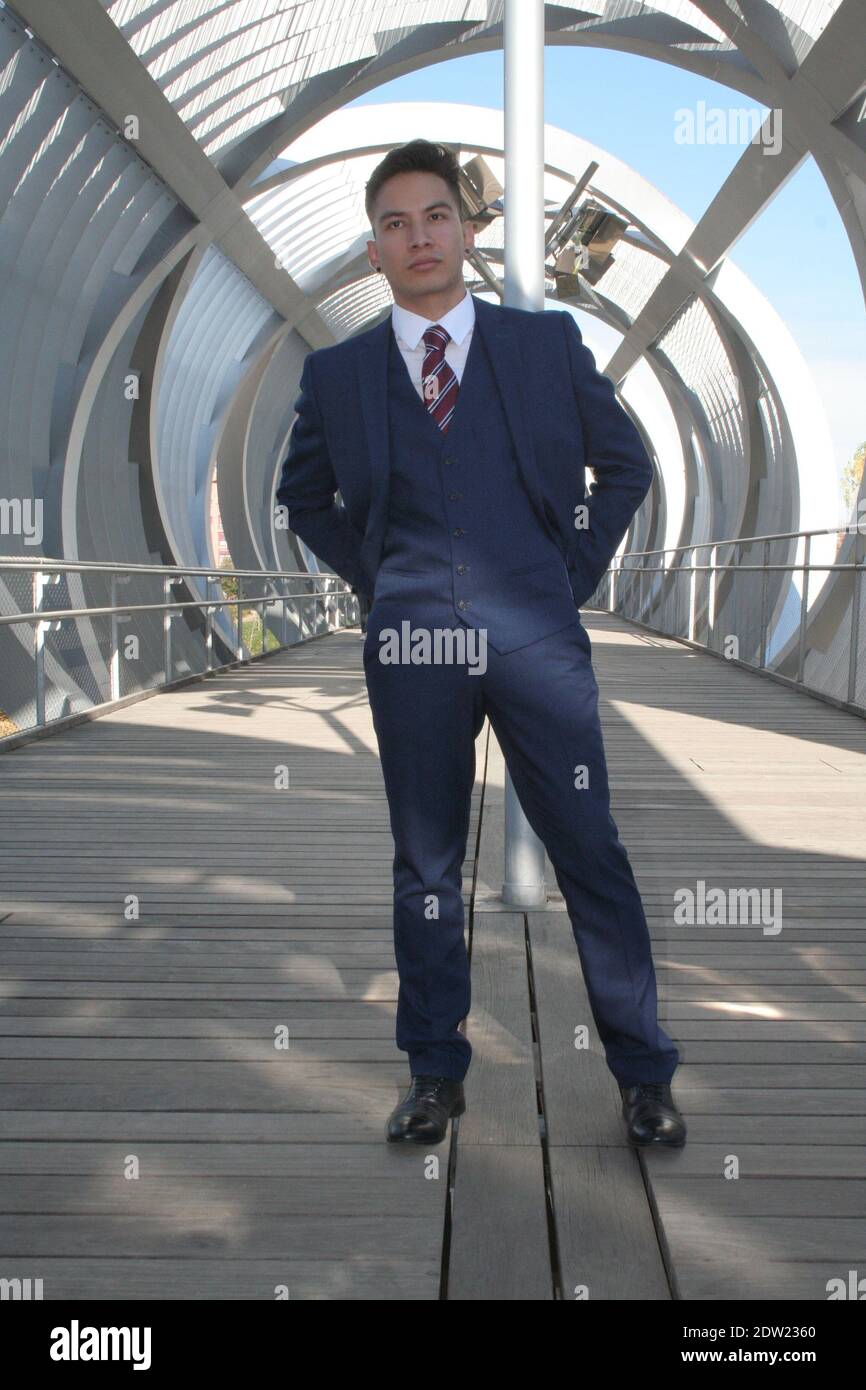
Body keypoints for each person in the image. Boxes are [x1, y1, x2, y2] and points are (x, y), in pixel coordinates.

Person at [276, 139, 685, 1150]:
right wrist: (381, 581)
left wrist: (568, 575)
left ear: (464, 230)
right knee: (423, 864)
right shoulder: (334, 375)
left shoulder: (543, 346)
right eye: (392, 223)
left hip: (535, 635)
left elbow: (623, 465)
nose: (416, 235)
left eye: (433, 216)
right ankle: (432, 1072)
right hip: (409, 639)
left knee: (588, 847)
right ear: (372, 251)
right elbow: (303, 498)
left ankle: (641, 1072)